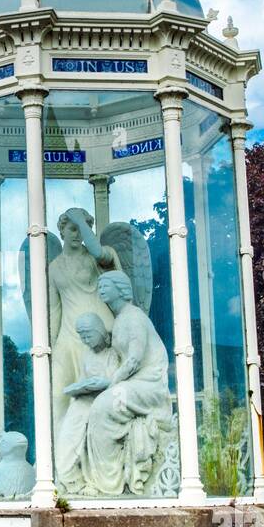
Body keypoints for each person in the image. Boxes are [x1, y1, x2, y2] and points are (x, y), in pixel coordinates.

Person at [83, 271, 174, 496]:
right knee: (98, 407)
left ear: (121, 288)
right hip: (134, 384)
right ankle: (108, 475)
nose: (101, 288)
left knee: (103, 406)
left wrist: (110, 384)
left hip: (149, 386)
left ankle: (108, 481)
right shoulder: (121, 318)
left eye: (107, 284)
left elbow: (133, 360)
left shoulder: (133, 317)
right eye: (100, 284)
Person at [47, 207, 121, 424]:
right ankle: (60, 453)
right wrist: (50, 348)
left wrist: (79, 220)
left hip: (98, 331)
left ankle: (95, 450)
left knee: (97, 395)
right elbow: (53, 309)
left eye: (83, 229)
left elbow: (99, 251)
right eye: (72, 229)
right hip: (68, 336)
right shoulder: (54, 267)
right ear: (62, 231)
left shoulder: (96, 258)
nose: (77, 234)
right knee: (58, 394)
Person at [55, 312, 121, 495]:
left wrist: (104, 383)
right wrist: (77, 389)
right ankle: (67, 476)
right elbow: (84, 379)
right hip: (84, 400)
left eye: (88, 335)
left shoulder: (112, 353)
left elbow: (117, 381)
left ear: (99, 331)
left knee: (79, 427)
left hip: (102, 401)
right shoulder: (87, 354)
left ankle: (75, 478)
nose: (85, 340)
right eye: (82, 336)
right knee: (67, 431)